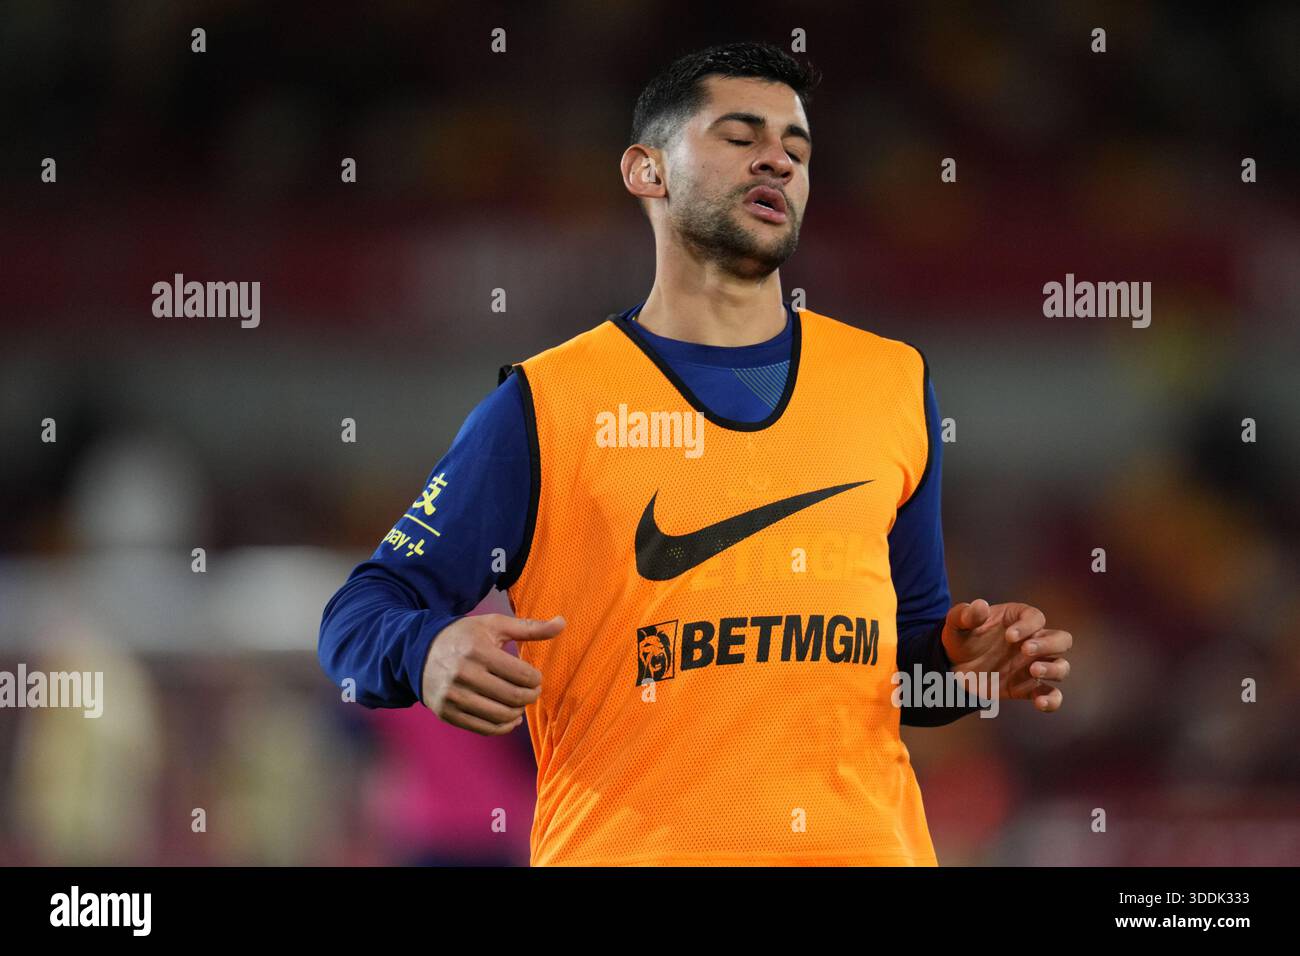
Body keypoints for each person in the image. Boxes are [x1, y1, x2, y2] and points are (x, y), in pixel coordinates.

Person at [319, 40, 1073, 866]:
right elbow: (359, 614)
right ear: (648, 170)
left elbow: (903, 668)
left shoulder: (892, 382)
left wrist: (964, 671)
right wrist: (423, 651)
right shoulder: (545, 406)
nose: (777, 160)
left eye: (797, 146)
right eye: (740, 135)